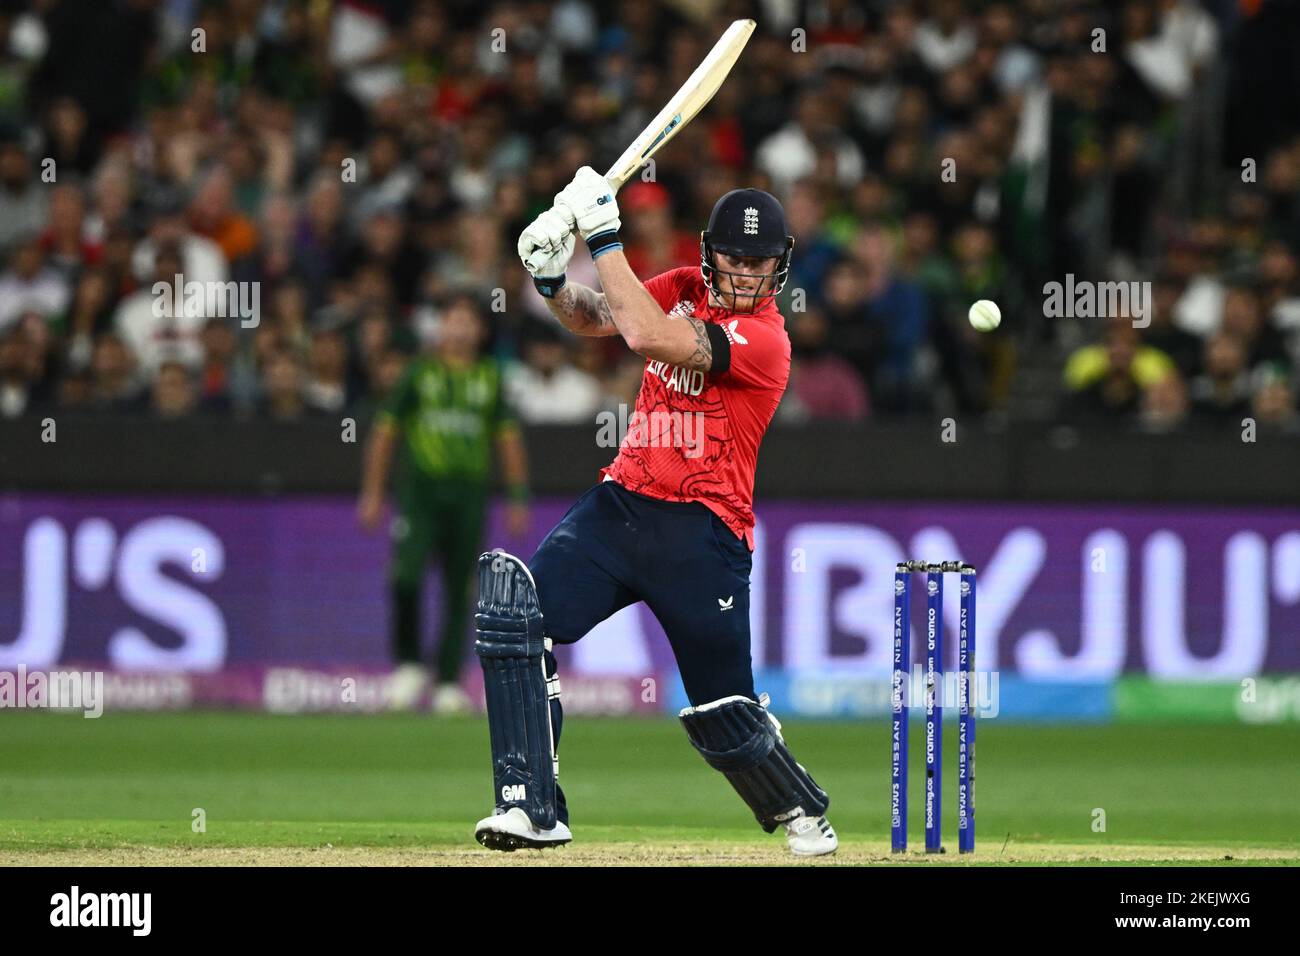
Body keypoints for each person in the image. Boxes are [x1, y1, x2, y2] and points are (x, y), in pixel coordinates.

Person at [472, 167, 836, 857]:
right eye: (734, 257)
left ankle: (797, 805)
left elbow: (645, 337)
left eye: (760, 262)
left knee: (724, 716)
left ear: (779, 268)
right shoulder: (683, 287)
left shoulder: (767, 340)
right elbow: (599, 317)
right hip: (621, 506)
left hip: (703, 535)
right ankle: (532, 808)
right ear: (710, 251)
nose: (745, 273)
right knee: (517, 620)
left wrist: (602, 232)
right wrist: (551, 278)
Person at [358, 295, 530, 713]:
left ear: (480, 331)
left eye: (467, 321)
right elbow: (385, 433)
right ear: (441, 326)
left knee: (460, 588)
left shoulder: (490, 377)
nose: (459, 328)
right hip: (420, 493)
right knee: (406, 576)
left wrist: (517, 496)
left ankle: (449, 681)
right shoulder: (419, 373)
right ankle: (410, 663)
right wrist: (373, 492)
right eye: (452, 320)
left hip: (469, 494)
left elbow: (507, 439)